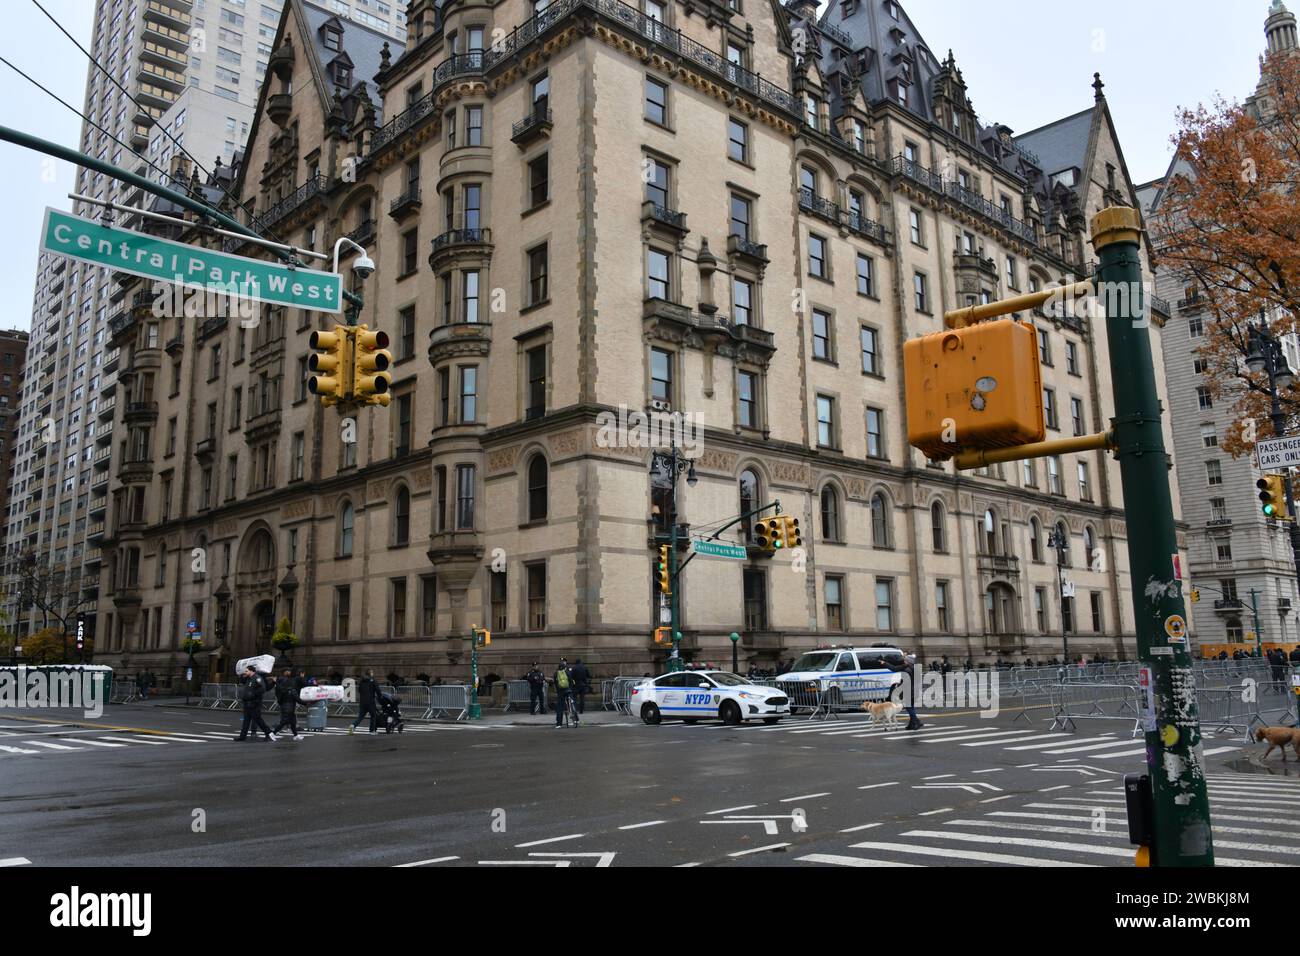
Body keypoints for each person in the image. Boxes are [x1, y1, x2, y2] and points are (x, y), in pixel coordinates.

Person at [236, 666, 276, 741]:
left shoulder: (257, 678)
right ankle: (242, 737)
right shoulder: (248, 679)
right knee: (246, 721)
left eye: (247, 671)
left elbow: (263, 688)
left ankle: (269, 733)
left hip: (254, 703)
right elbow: (241, 681)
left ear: (252, 671)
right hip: (247, 703)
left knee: (258, 720)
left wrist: (253, 694)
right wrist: (241, 675)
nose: (245, 672)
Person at [888, 653, 922, 731]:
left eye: (905, 660)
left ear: (908, 661)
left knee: (909, 708)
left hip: (909, 692)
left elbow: (905, 682)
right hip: (914, 691)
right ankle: (911, 724)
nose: (904, 661)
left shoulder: (907, 669)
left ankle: (917, 722)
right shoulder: (914, 668)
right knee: (911, 708)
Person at [272, 669, 305, 741]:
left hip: (286, 705)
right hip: (289, 706)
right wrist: (306, 703)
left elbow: (279, 692)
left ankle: (296, 735)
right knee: (284, 721)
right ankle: (273, 733)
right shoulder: (291, 689)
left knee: (293, 722)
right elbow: (297, 698)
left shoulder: (282, 687)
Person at [349, 670, 381, 735]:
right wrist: (379, 696)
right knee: (373, 716)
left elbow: (360, 690)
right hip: (370, 701)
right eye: (372, 672)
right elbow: (378, 690)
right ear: (370, 674)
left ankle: (353, 725)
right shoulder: (373, 681)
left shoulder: (361, 681)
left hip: (362, 701)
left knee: (360, 716)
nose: (373, 673)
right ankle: (372, 731)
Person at [553, 658, 577, 728]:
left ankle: (559, 724)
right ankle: (575, 719)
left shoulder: (556, 673)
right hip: (568, 690)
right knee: (572, 703)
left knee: (560, 707)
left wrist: (558, 691)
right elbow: (570, 680)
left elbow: (555, 683)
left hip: (560, 692)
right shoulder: (567, 672)